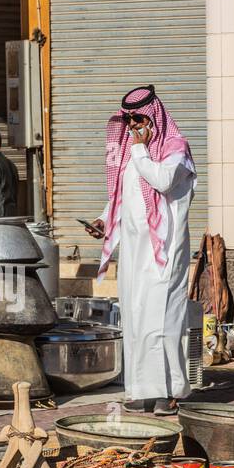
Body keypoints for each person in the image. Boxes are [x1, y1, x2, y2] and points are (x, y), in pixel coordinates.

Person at [86, 85, 195, 415]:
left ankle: (169, 390)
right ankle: (141, 388)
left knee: (164, 318)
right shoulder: (133, 154)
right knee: (135, 316)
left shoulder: (175, 148)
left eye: (139, 118)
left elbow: (161, 181)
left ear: (154, 116)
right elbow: (122, 195)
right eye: (129, 119)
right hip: (134, 250)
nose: (133, 125)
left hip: (164, 248)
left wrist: (139, 149)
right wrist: (104, 221)